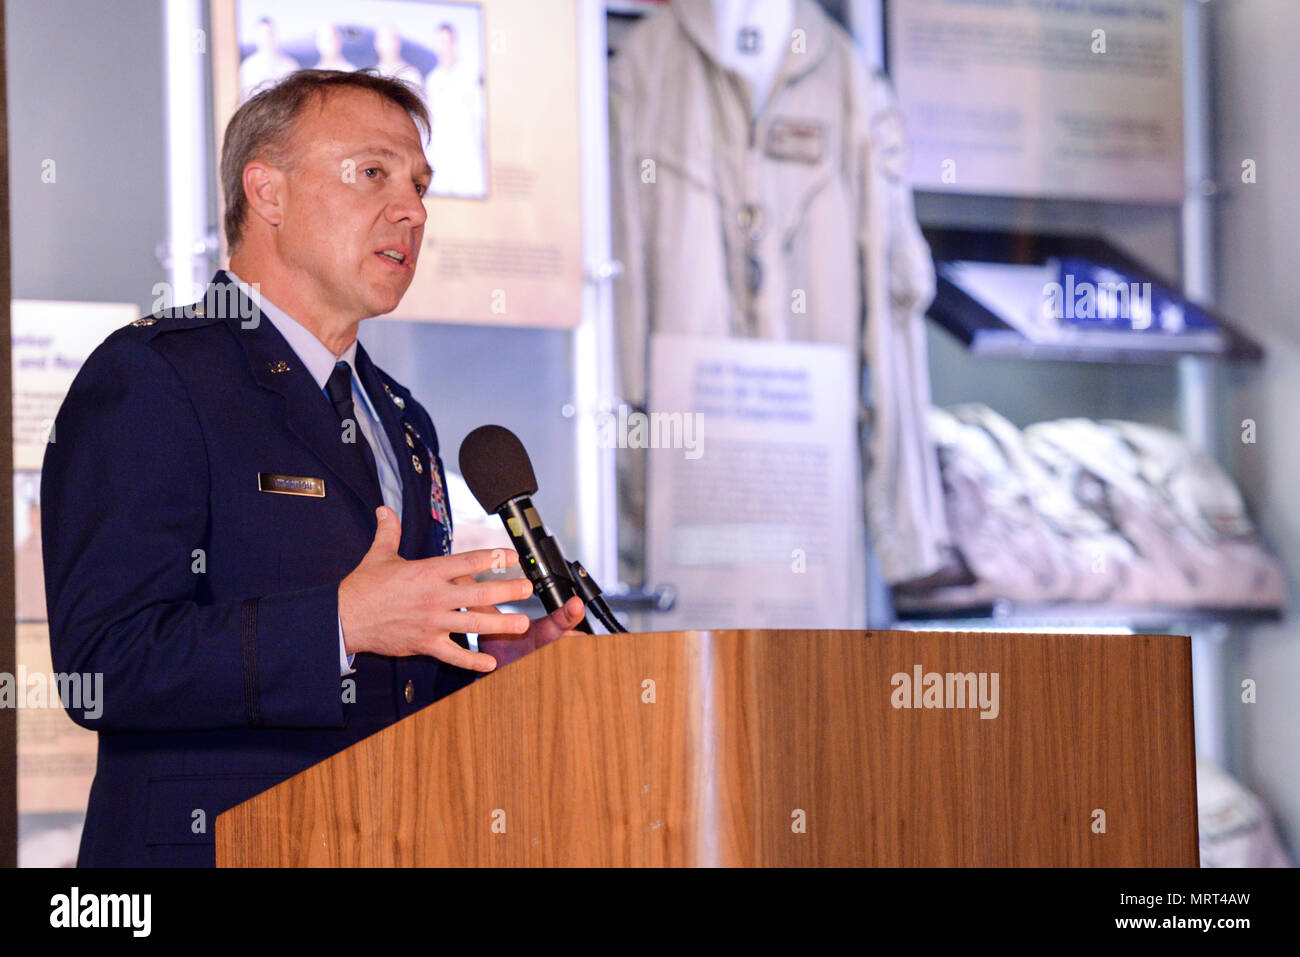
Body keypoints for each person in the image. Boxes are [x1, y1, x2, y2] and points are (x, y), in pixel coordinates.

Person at [40, 69, 584, 867]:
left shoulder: (401, 416)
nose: (414, 209)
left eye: (420, 185)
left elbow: (386, 688)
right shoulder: (156, 377)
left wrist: (483, 674)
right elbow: (103, 663)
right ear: (267, 192)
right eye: (374, 173)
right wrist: (340, 622)